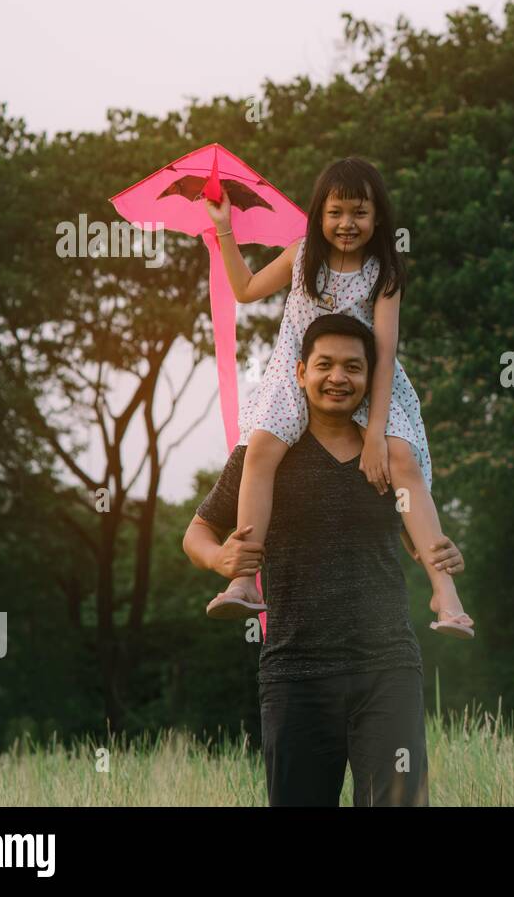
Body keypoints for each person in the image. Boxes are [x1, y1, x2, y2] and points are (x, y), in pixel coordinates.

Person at [183, 314, 457, 805]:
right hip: (295, 672)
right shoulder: (264, 454)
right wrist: (219, 560)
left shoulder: (391, 454)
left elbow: (421, 534)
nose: (338, 378)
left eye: (354, 367)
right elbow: (197, 532)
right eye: (325, 365)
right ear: (300, 371)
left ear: (372, 377)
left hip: (387, 667)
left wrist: (441, 556)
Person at [202, 156, 473, 638]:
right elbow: (244, 291)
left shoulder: (384, 271)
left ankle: (445, 593)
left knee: (402, 458)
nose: (347, 224)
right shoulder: (302, 254)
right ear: (319, 214)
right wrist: (224, 228)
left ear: (377, 217)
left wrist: (374, 434)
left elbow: (385, 354)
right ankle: (246, 579)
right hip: (298, 370)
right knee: (261, 449)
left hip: (361, 375)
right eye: (336, 212)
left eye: (359, 212)